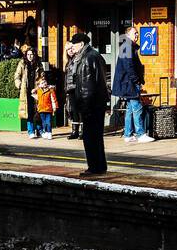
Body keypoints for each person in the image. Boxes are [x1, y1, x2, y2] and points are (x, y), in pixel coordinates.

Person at [71, 32, 110, 175]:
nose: (72, 47)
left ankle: (94, 167)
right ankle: (101, 166)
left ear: (81, 44)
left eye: (74, 44)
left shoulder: (86, 58)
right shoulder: (95, 55)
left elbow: (88, 87)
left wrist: (84, 107)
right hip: (98, 103)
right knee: (97, 137)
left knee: (89, 137)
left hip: (91, 105)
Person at [113, 24, 153, 144]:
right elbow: (128, 67)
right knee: (137, 108)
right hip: (128, 83)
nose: (137, 35)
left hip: (128, 83)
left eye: (137, 34)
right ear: (127, 35)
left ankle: (128, 134)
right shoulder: (126, 47)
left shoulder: (129, 46)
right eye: (135, 33)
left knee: (130, 109)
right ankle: (140, 134)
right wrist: (136, 80)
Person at [14, 45, 41, 138]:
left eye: (32, 54)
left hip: (36, 91)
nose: (30, 56)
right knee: (29, 111)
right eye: (28, 54)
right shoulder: (22, 63)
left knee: (38, 111)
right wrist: (20, 85)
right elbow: (16, 76)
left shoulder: (38, 64)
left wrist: (38, 87)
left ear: (34, 55)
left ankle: (39, 130)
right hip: (26, 91)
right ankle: (30, 131)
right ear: (26, 55)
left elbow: (42, 77)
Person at [63, 40, 83, 139]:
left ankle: (83, 132)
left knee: (80, 110)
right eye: (67, 49)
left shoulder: (77, 59)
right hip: (70, 89)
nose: (70, 51)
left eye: (71, 48)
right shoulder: (67, 61)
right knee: (73, 110)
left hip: (77, 88)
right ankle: (75, 131)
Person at [34, 72, 59, 140]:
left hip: (48, 109)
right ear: (39, 85)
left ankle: (49, 132)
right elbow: (34, 96)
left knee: (48, 122)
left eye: (45, 82)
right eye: (42, 83)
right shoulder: (38, 91)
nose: (44, 83)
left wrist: (54, 107)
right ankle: (45, 132)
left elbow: (53, 99)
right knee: (44, 122)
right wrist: (35, 89)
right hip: (41, 110)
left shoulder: (50, 90)